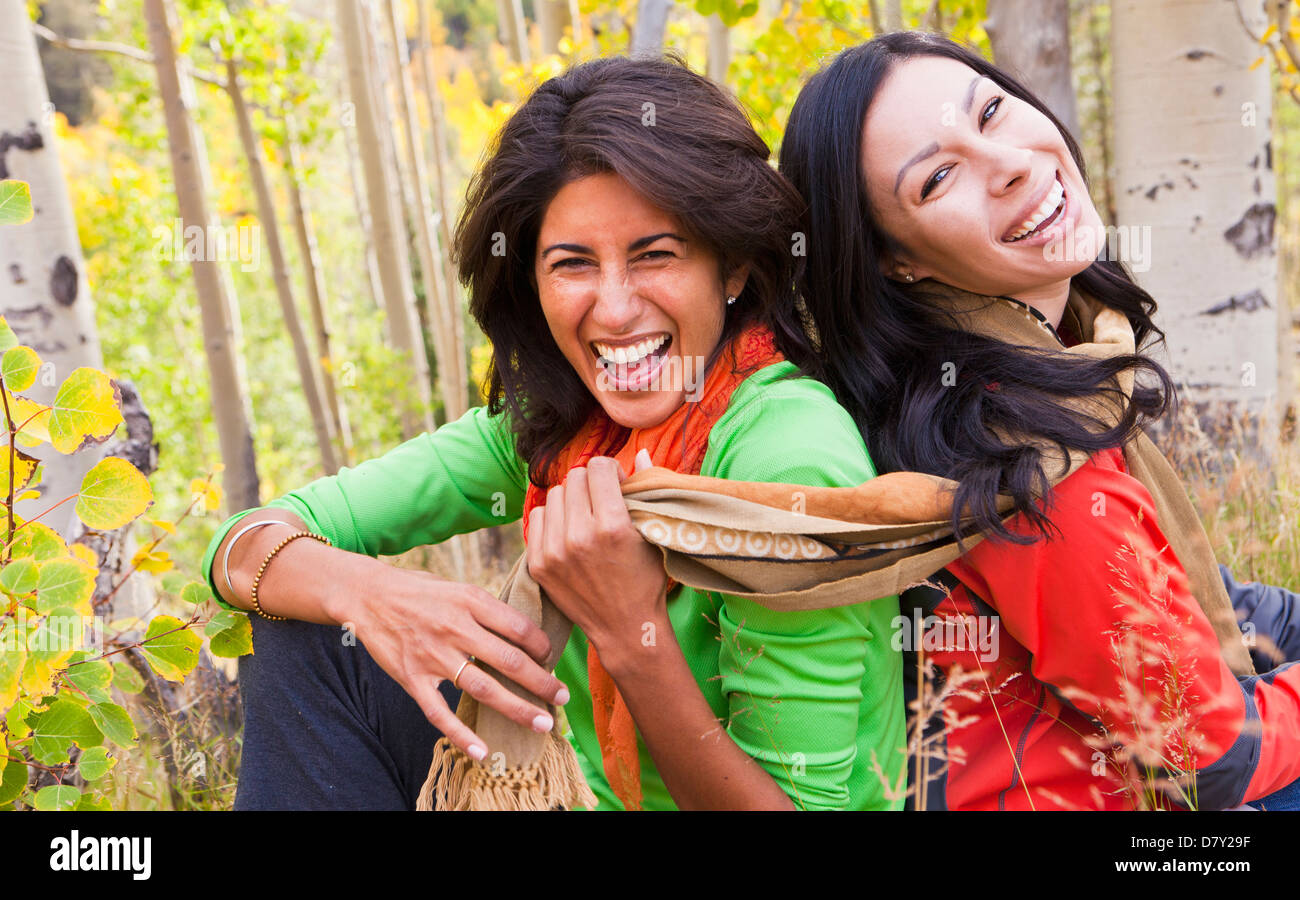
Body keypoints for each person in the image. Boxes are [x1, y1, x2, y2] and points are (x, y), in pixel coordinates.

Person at [201, 54, 906, 811]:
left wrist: (627, 626)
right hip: (575, 795)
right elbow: (245, 548)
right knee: (307, 635)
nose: (613, 309)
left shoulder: (784, 455)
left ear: (731, 269)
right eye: (573, 265)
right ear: (532, 287)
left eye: (655, 256)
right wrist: (371, 593)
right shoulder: (562, 430)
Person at [778, 30, 1300, 810]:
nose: (1012, 163)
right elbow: (1206, 758)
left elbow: (1204, 600)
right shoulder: (1025, 462)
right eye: (939, 177)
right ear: (896, 261)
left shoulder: (1045, 367)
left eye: (989, 111)